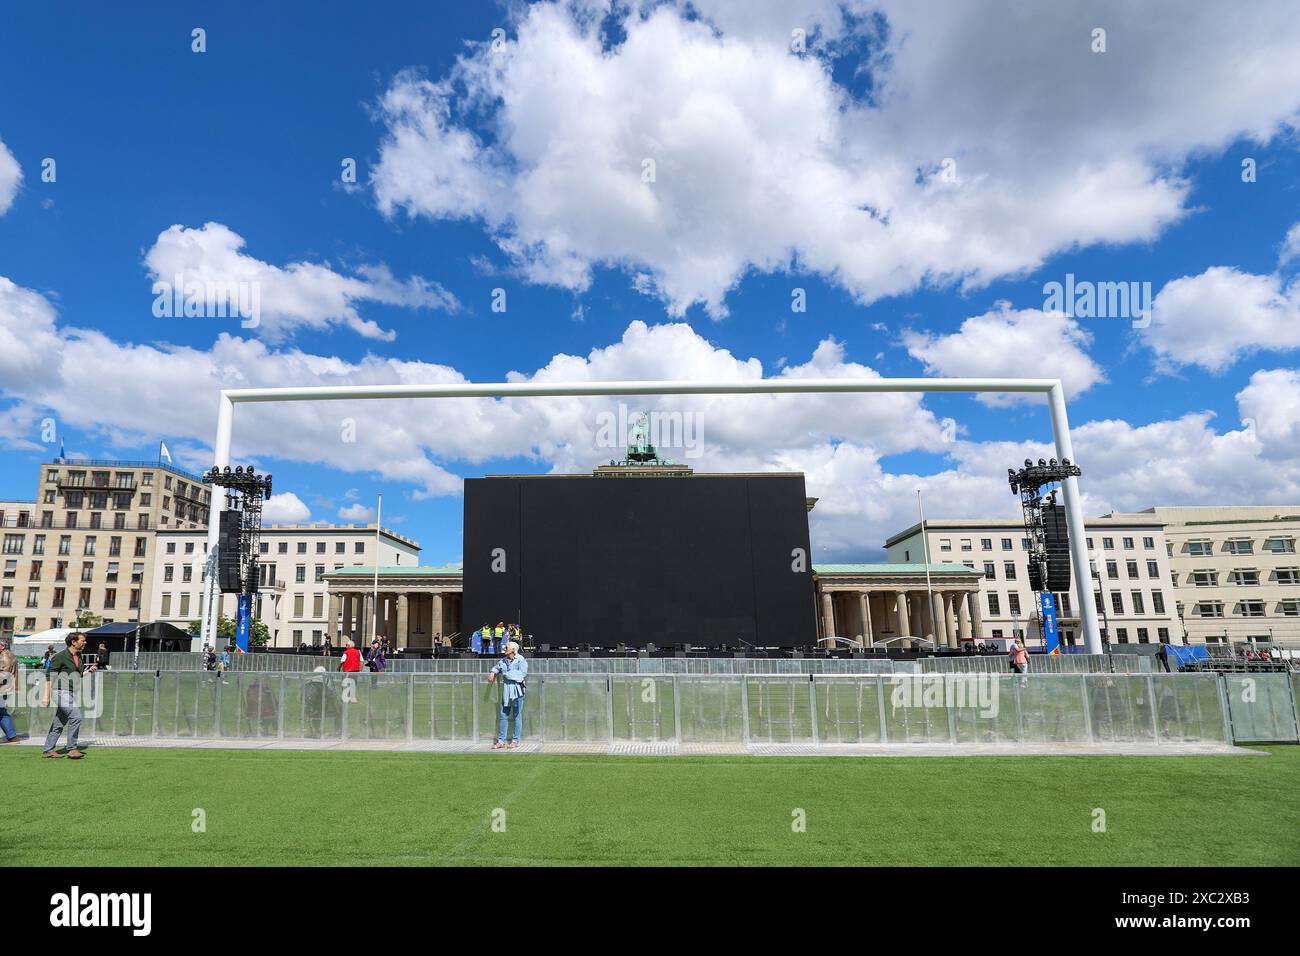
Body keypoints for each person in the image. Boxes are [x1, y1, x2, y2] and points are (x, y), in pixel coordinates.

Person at [43, 632, 98, 759]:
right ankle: (72, 748)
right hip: (60, 691)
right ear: (73, 642)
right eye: (82, 640)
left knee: (58, 723)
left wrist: (89, 671)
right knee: (76, 717)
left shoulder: (79, 656)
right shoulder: (60, 656)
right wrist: (46, 696)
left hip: (71, 693)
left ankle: (48, 750)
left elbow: (79, 675)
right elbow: (50, 676)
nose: (85, 642)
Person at [487, 640, 528, 749]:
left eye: (507, 647)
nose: (505, 648)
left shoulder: (521, 660)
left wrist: (506, 674)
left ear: (513, 650)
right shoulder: (504, 660)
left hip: (517, 691)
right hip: (506, 691)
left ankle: (515, 740)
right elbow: (497, 667)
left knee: (517, 715)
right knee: (503, 715)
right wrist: (493, 672)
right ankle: (501, 741)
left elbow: (521, 674)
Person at [0, 638, 20, 743]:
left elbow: (3, 675)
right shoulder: (7, 655)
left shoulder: (5, 657)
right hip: (5, 689)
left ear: (2, 646)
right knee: (2, 712)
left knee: (2, 712)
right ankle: (12, 736)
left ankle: (12, 736)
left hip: (3, 689)